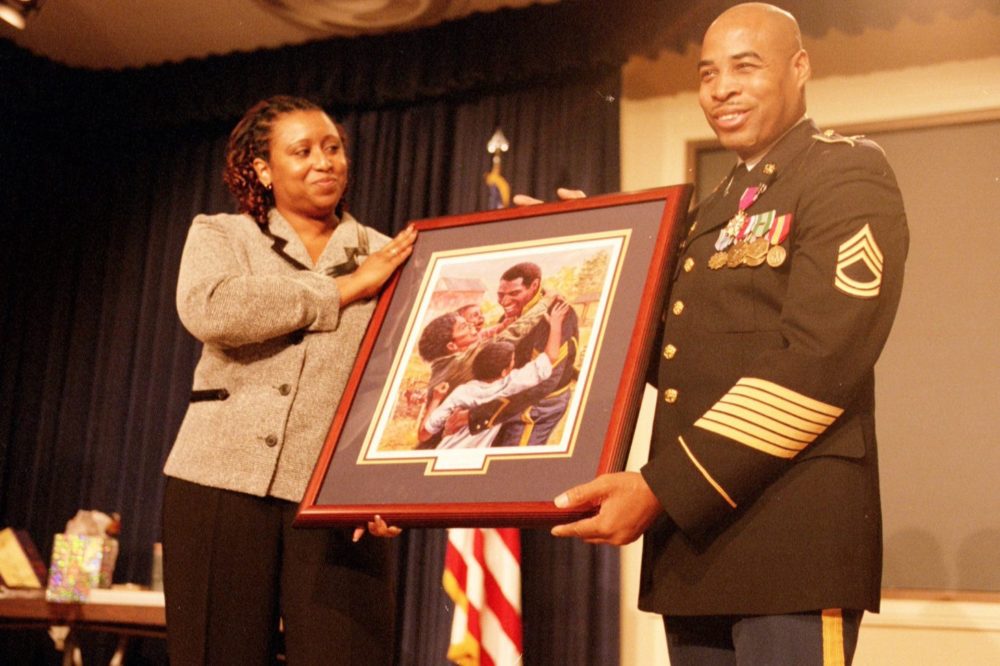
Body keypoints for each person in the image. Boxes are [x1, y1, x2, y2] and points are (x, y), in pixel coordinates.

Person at [549, 4, 909, 664]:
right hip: (697, 547)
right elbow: (685, 361)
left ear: (800, 68)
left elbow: (821, 359)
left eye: (746, 67)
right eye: (708, 73)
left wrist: (662, 487)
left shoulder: (845, 173)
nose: (721, 89)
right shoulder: (714, 209)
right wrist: (592, 266)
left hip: (790, 543)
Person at [161, 95, 416, 665]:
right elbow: (212, 309)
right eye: (302, 151)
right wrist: (344, 289)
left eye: (333, 148)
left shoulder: (389, 253)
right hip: (217, 482)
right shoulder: (222, 234)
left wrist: (389, 481)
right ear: (262, 168)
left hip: (337, 497)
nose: (324, 161)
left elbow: (407, 378)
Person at [420, 299, 571, 449]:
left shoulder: (456, 386)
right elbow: (546, 354)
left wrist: (436, 399)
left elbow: (423, 434)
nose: (473, 326)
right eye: (465, 326)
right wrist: (553, 318)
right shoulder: (506, 385)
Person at [465, 262, 580, 447]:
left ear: (534, 286)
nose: (504, 302)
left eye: (514, 293)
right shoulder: (510, 317)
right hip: (509, 399)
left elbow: (545, 382)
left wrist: (480, 414)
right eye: (501, 295)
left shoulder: (559, 315)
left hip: (537, 406)